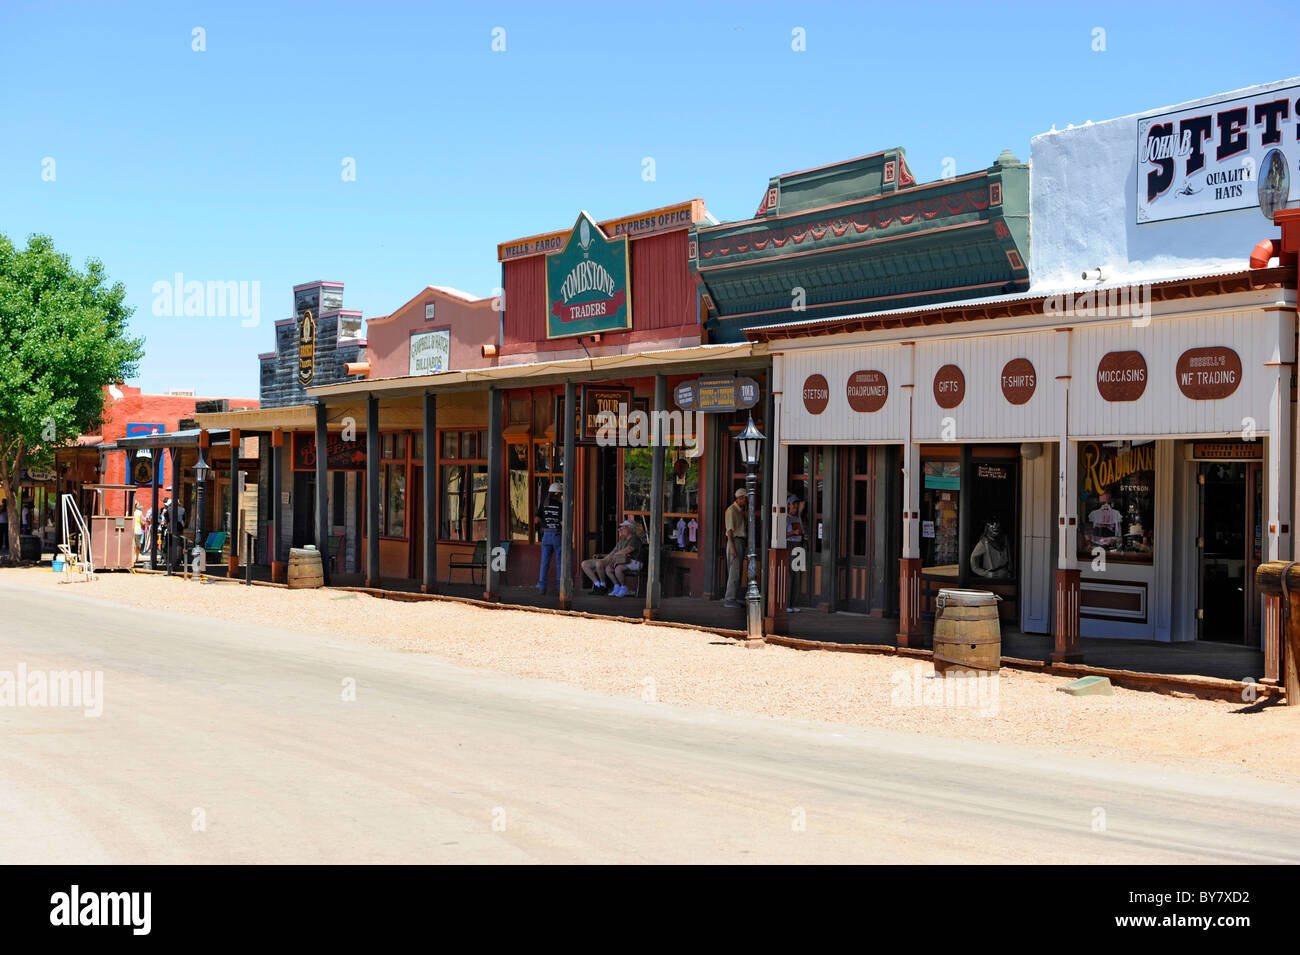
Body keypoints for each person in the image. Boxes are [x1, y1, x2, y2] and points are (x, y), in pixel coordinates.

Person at [581, 519, 640, 596]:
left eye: (623, 527)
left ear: (630, 528)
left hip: (625, 560)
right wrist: (601, 555)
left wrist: (614, 555)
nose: (621, 529)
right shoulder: (622, 540)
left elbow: (628, 550)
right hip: (613, 559)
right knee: (584, 563)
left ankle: (603, 586)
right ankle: (598, 585)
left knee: (600, 563)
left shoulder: (634, 538)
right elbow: (613, 553)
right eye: (621, 528)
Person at [535, 481, 563, 593]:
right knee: (560, 562)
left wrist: (545, 522)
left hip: (545, 535)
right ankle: (560, 586)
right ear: (557, 494)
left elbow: (536, 519)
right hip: (557, 535)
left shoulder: (544, 504)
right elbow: (562, 522)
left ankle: (542, 586)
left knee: (544, 562)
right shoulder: (560, 505)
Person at [722, 487, 748, 608]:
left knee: (737, 571)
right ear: (740, 498)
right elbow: (729, 531)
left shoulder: (738, 511)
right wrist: (732, 547)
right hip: (735, 541)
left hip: (739, 541)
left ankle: (733, 597)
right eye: (744, 498)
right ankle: (729, 598)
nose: (746, 501)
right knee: (734, 571)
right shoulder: (731, 511)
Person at [785, 494, 805, 613]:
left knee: (797, 575)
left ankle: (794, 603)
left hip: (798, 546)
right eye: (793, 504)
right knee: (789, 575)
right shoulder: (786, 518)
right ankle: (787, 603)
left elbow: (802, 530)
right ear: (789, 505)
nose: (795, 507)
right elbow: (781, 534)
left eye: (797, 504)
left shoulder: (797, 518)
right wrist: (793, 532)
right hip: (790, 545)